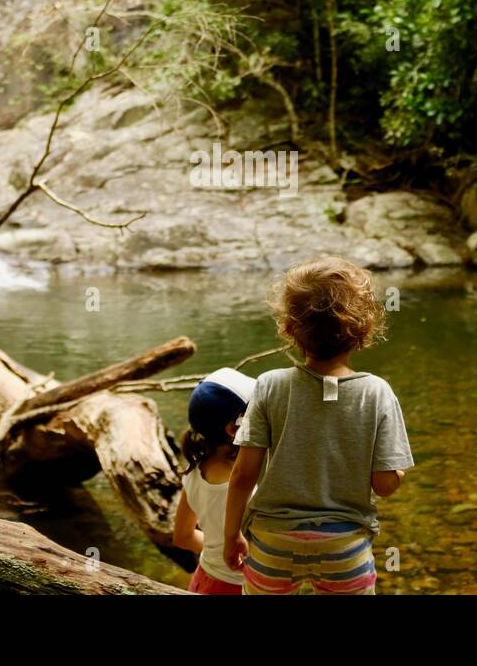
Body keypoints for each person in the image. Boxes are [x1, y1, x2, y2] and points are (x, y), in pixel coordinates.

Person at [223, 255, 414, 595]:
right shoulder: (376, 392)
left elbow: (242, 475)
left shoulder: (270, 385)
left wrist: (230, 536)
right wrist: (397, 470)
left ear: (289, 328)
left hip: (271, 543)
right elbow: (384, 485)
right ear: (363, 329)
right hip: (345, 546)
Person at [172, 367, 256, 595]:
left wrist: (216, 547)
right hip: (238, 588)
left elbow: (182, 536)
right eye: (257, 412)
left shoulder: (195, 471)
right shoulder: (245, 487)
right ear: (232, 428)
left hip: (204, 580)